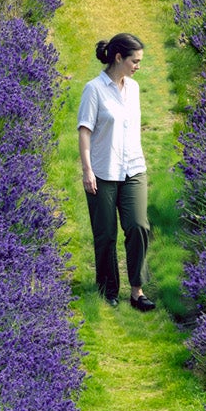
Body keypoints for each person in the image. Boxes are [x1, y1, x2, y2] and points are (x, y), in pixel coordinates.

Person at [77, 32, 156, 311]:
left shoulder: (133, 89)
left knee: (138, 226)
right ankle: (108, 289)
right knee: (106, 234)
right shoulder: (94, 90)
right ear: (118, 58)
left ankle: (137, 291)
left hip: (133, 167)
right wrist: (87, 170)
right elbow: (84, 132)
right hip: (103, 170)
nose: (138, 66)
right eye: (135, 61)